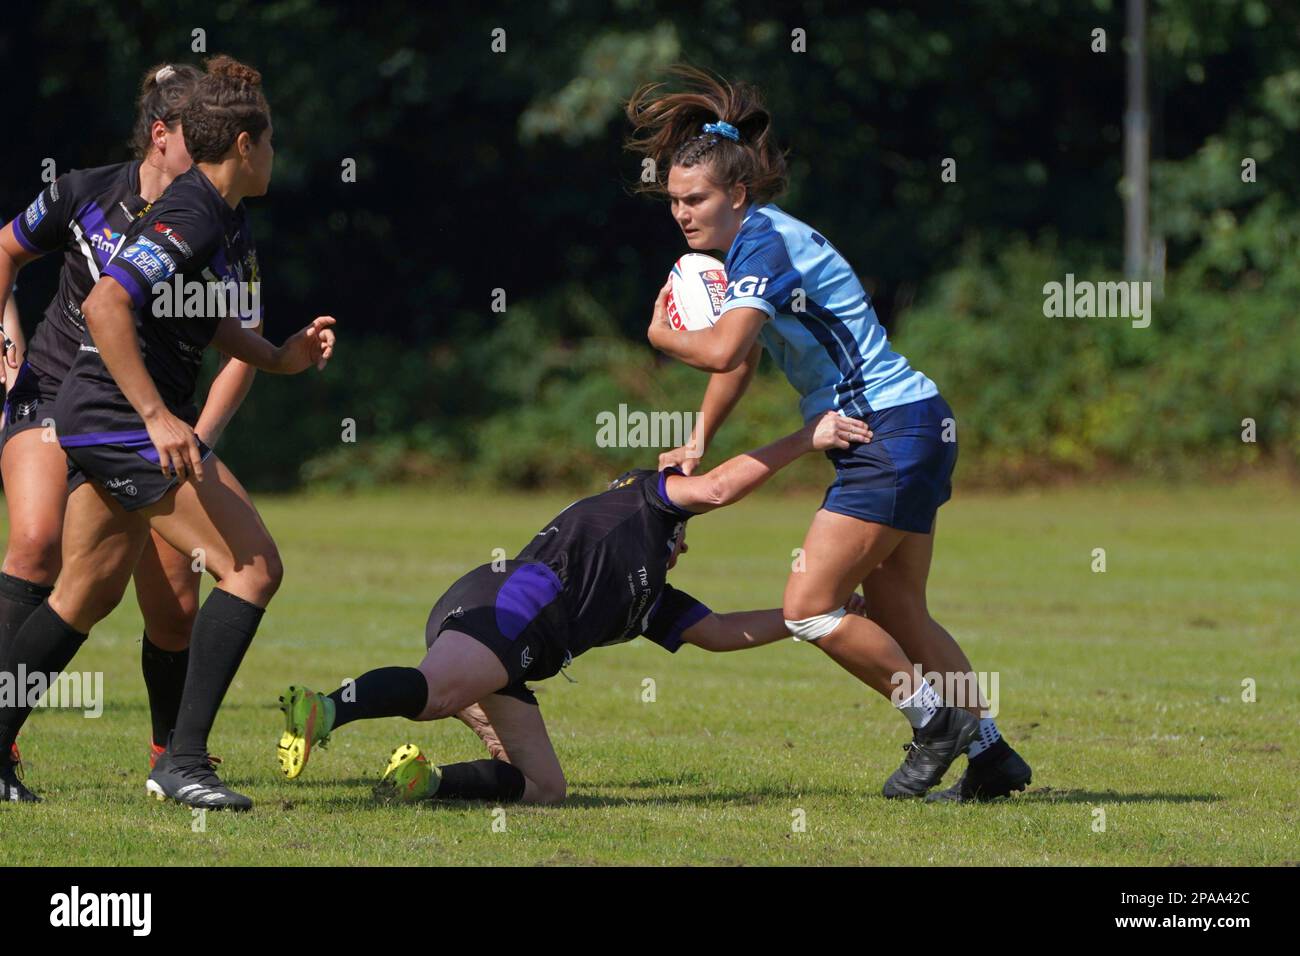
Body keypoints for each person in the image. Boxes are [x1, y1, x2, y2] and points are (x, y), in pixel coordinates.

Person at [626, 67, 1031, 801]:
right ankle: (992, 753)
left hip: (886, 430)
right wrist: (699, 437)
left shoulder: (762, 247)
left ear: (736, 194)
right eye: (675, 202)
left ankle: (934, 721)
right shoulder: (756, 243)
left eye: (696, 200)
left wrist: (661, 336)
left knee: (809, 607)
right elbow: (744, 358)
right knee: (902, 611)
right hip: (912, 421)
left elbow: (720, 349)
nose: (682, 215)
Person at [0, 55, 336, 811]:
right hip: (116, 420)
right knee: (252, 568)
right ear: (244, 145)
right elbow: (105, 306)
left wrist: (277, 356)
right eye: (271, 141)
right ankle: (182, 762)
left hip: (106, 418)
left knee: (82, 594)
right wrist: (157, 417)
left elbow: (202, 319)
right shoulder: (191, 214)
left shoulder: (222, 214)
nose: (276, 155)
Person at [275, 412, 882, 805]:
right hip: (514, 603)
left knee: (545, 788)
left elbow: (721, 632)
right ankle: (325, 709)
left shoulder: (649, 597)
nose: (685, 546)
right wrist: (807, 438)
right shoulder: (647, 500)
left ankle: (425, 782)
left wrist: (813, 615)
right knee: (436, 695)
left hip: (522, 640)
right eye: (685, 534)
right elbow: (719, 488)